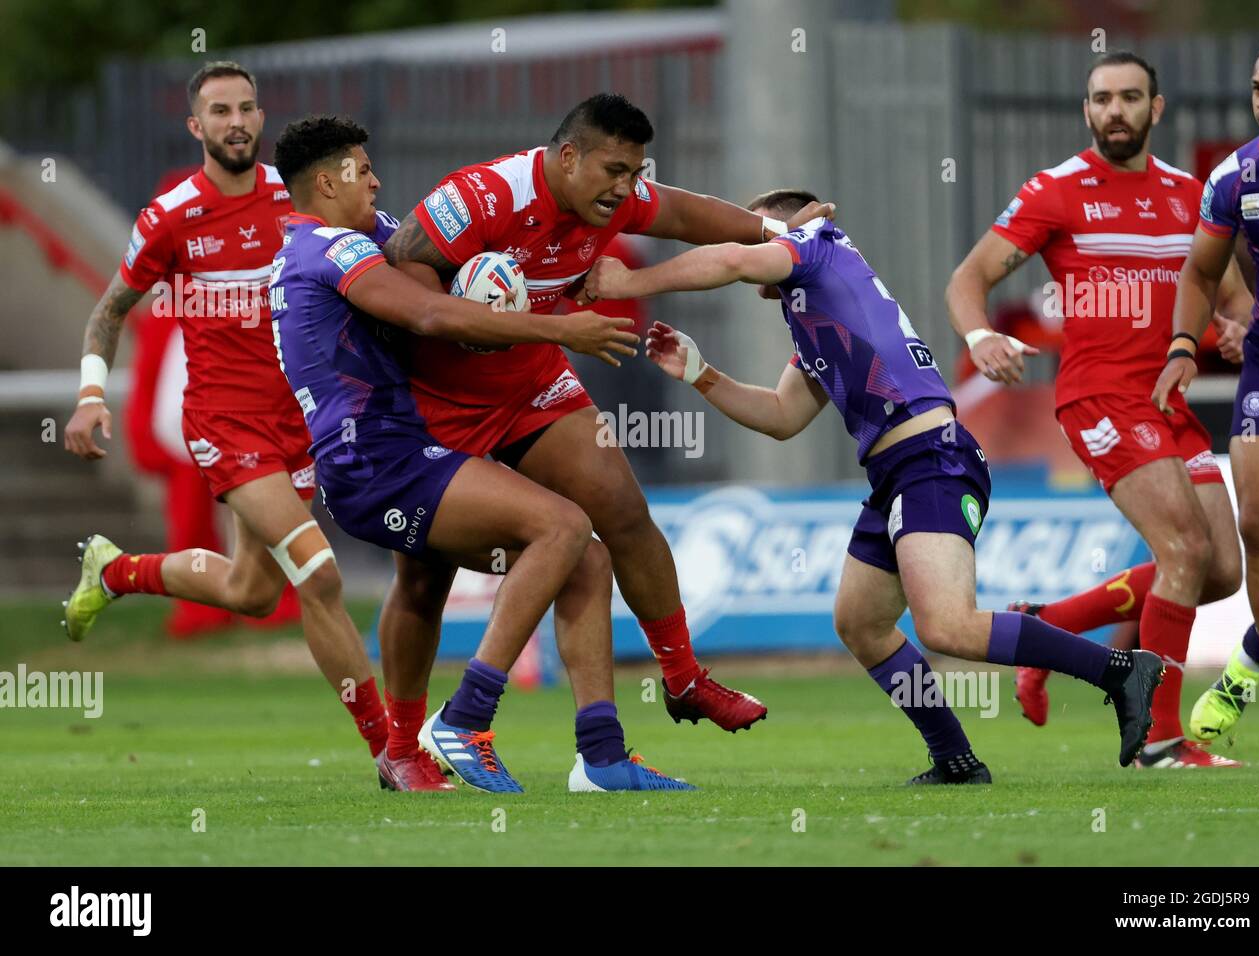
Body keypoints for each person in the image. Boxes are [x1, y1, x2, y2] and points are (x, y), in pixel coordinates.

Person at [584, 189, 1165, 779]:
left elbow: (733, 260)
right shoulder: (812, 311)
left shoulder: (814, 244)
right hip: (897, 471)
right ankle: (955, 759)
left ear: (785, 224)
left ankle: (1119, 671)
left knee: (947, 625)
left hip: (929, 457)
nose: (744, 238)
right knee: (860, 622)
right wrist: (702, 374)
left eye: (755, 226)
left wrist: (628, 283)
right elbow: (783, 418)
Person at [380, 93, 833, 734]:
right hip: (439, 405)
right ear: (568, 157)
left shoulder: (619, 194)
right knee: (425, 581)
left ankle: (683, 679)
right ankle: (402, 743)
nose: (626, 188)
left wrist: (778, 234)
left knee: (623, 509)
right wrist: (477, 326)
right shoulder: (484, 195)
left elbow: (682, 213)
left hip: (530, 384)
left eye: (634, 173)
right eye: (613, 171)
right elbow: (403, 277)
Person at [270, 113, 693, 793]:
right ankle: (465, 717)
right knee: (561, 526)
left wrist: (569, 273)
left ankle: (600, 756)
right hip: (382, 464)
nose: (376, 180)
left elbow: (456, 259)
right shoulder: (332, 250)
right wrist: (561, 327)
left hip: (393, 454)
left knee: (571, 560)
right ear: (326, 182)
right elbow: (432, 314)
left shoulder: (336, 244)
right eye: (362, 169)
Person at [62, 62, 392, 769]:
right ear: (196, 126)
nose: (236, 122)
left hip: (295, 418)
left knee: (251, 590)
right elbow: (109, 310)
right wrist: (91, 396)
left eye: (246, 109)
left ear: (260, 119)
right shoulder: (172, 214)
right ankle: (390, 750)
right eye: (219, 111)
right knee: (320, 574)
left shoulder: (294, 196)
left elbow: (378, 244)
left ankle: (117, 573)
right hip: (223, 423)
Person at [946, 51, 1253, 768]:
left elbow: (1231, 297)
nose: (1115, 110)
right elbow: (970, 277)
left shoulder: (1189, 196)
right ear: (1087, 112)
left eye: (1129, 97)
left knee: (1222, 572)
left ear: (1157, 108)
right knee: (1182, 550)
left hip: (1170, 401)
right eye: (1102, 99)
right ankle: (1160, 738)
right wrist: (981, 332)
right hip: (1101, 396)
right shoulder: (1057, 190)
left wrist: (1236, 327)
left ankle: (1048, 628)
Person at [1153, 34, 1259, 764]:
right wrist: (1186, 345)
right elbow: (1199, 274)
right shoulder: (1236, 177)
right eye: (1257, 88)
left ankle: (1243, 672)